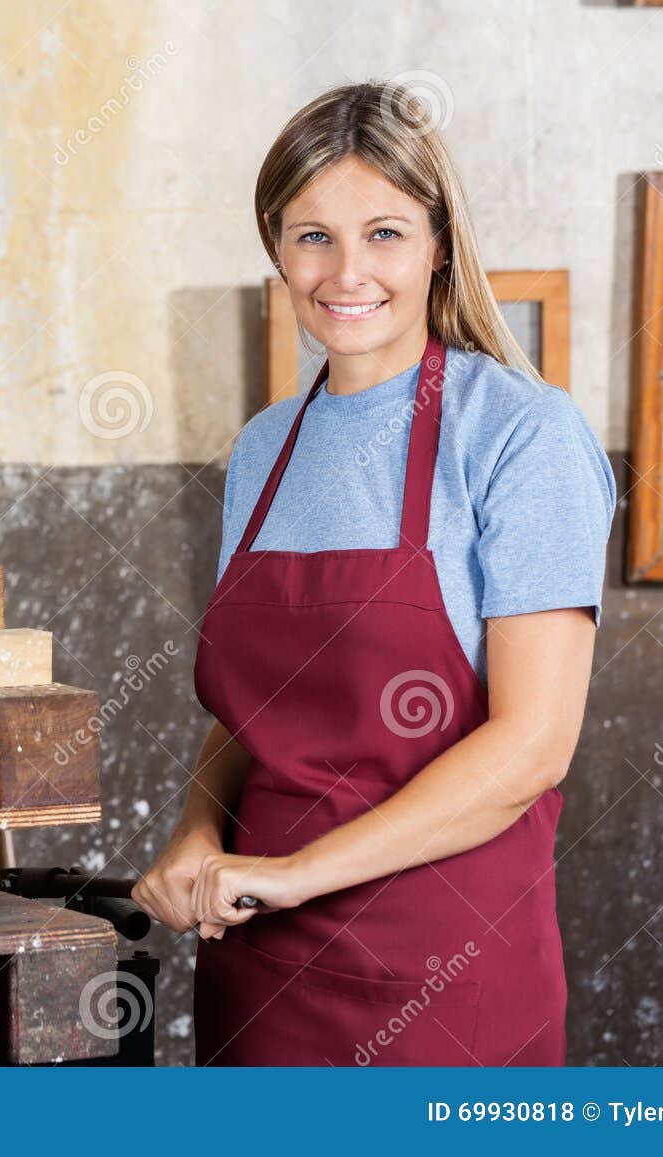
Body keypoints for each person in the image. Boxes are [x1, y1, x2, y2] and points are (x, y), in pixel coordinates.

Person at [132, 81, 616, 1066]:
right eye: (311, 236)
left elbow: (530, 748)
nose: (345, 272)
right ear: (274, 244)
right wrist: (195, 830)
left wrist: (299, 872)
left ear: (439, 242)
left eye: (384, 233)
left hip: (444, 973)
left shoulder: (520, 432)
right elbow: (251, 713)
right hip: (258, 965)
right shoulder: (266, 447)